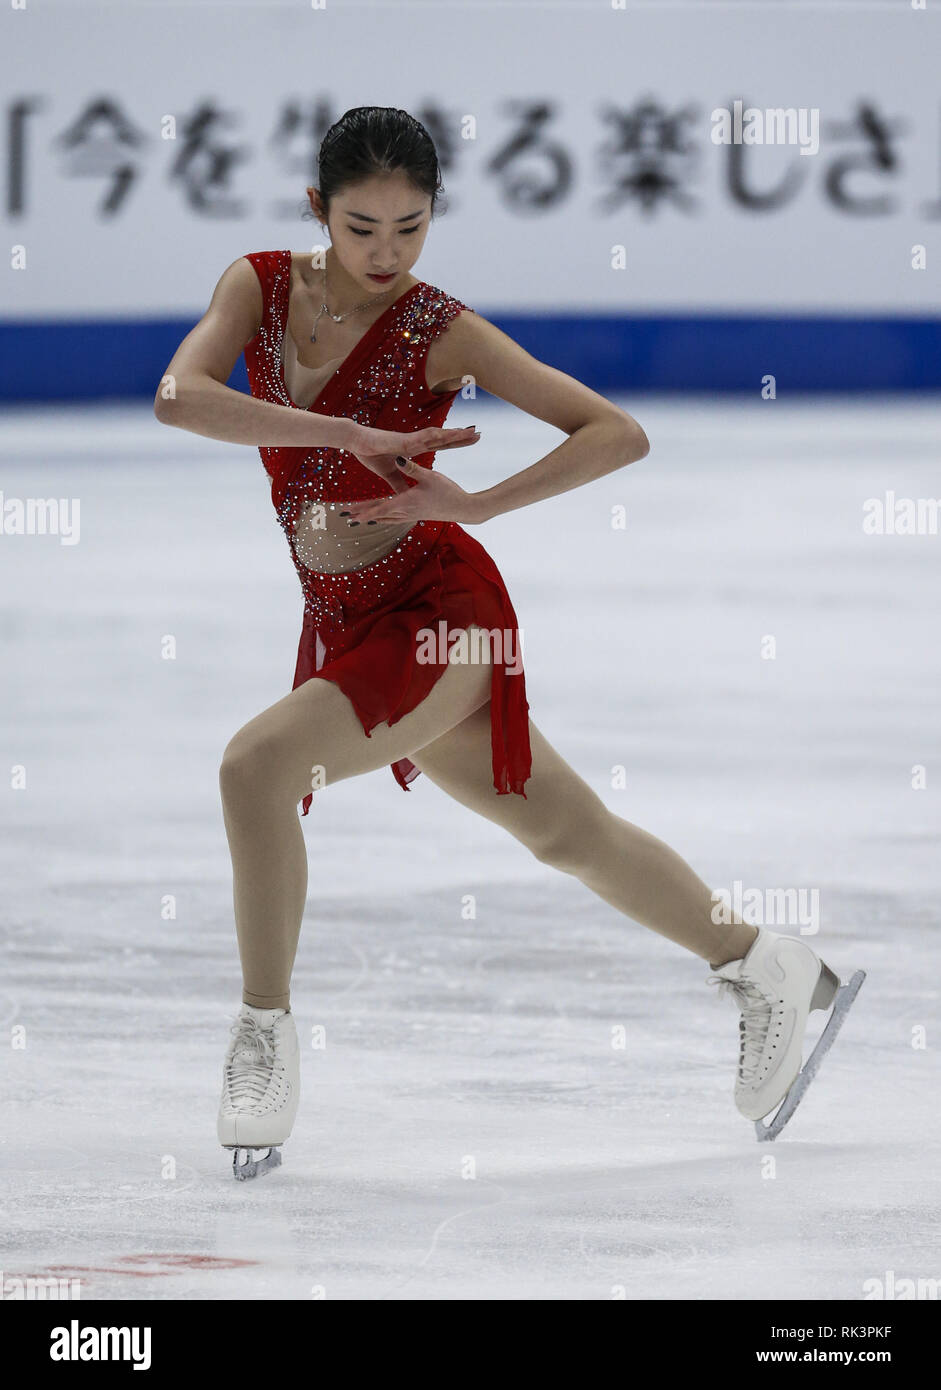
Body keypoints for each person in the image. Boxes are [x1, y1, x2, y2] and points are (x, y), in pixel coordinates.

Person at [154, 107, 862, 1178]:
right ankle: (760, 961)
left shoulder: (441, 328)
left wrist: (475, 506)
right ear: (315, 210)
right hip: (344, 620)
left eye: (410, 227)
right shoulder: (253, 286)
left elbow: (615, 432)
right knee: (569, 834)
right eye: (360, 229)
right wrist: (344, 432)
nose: (386, 255)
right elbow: (179, 398)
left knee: (253, 768)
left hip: (439, 617)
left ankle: (262, 1038)